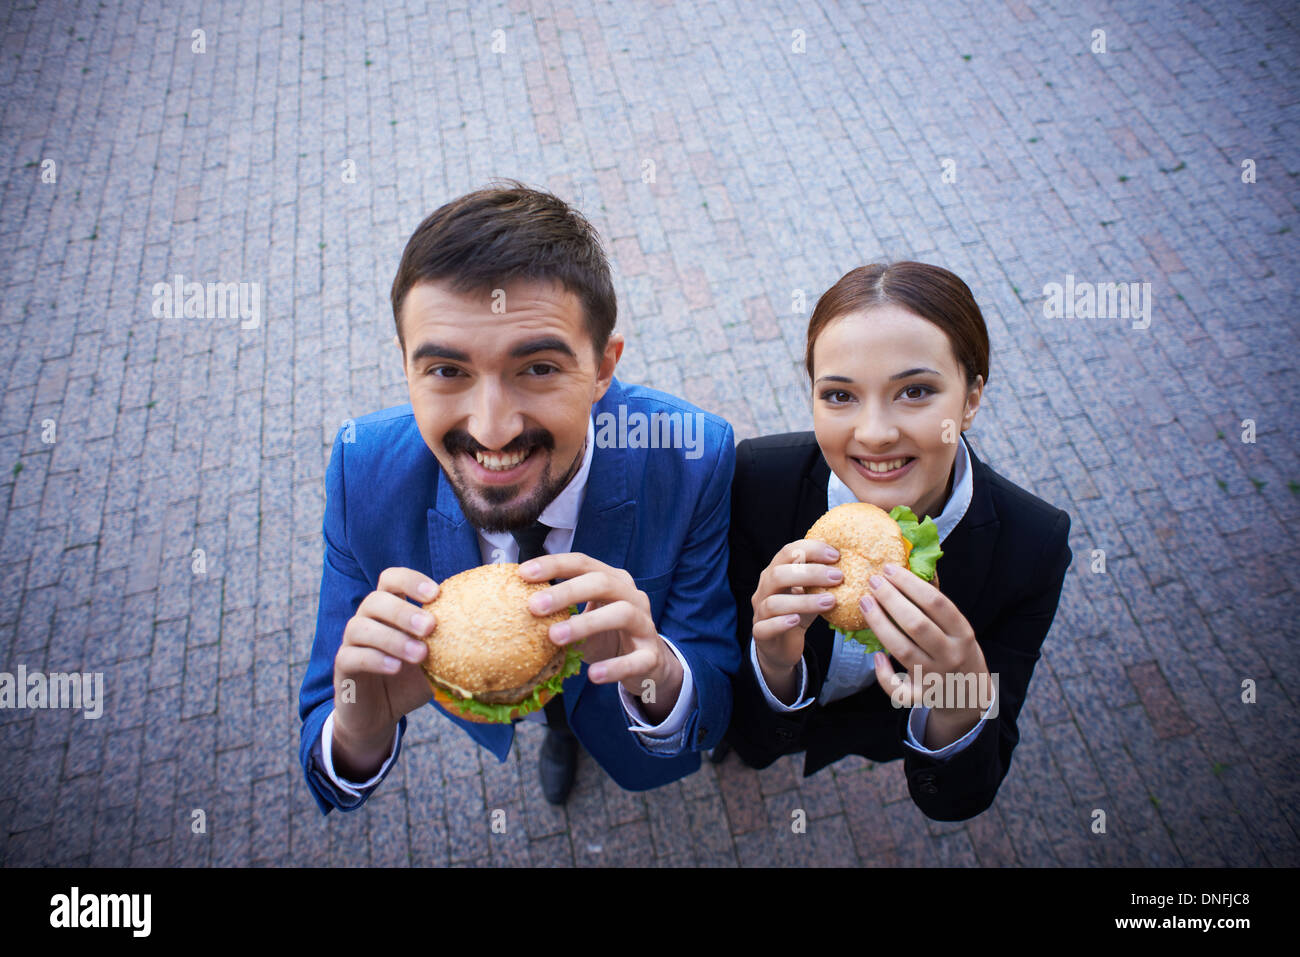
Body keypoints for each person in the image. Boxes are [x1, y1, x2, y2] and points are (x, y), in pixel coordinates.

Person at [297, 182, 738, 812]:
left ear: (603, 368)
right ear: (406, 366)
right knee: (554, 721)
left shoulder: (690, 457)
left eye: (537, 368)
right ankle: (554, 733)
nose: (491, 430)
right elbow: (325, 723)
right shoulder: (361, 473)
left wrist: (663, 677)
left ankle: (574, 730)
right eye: (447, 371)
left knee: (591, 711)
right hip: (491, 696)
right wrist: (358, 728)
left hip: (628, 713)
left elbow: (715, 684)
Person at [721, 261, 1073, 822]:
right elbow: (720, 662)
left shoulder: (1033, 545)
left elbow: (965, 793)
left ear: (971, 398)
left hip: (887, 731)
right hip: (766, 728)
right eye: (839, 396)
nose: (876, 433)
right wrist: (773, 665)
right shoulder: (757, 481)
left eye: (915, 391)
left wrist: (960, 697)